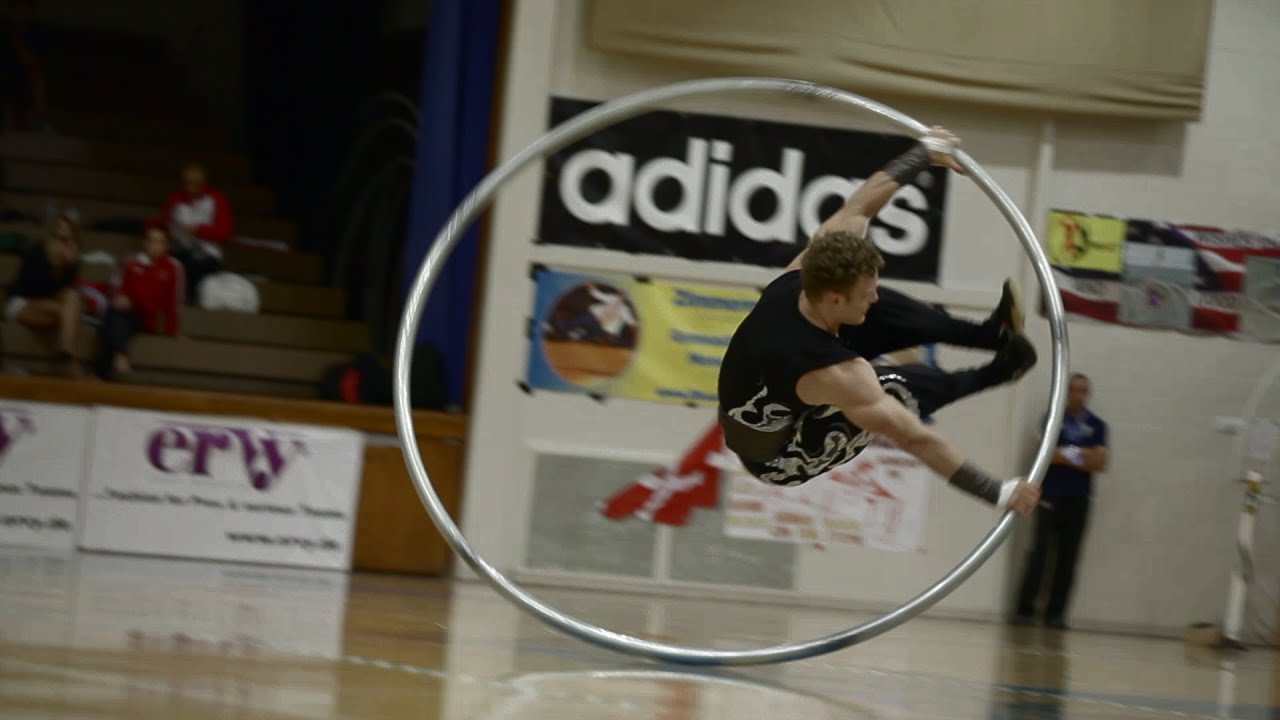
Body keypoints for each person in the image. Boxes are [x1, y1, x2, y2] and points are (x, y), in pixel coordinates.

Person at [717, 127, 1041, 515]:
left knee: (881, 309)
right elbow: (914, 437)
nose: (871, 295)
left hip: (784, 380)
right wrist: (996, 491)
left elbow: (859, 208)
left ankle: (990, 334)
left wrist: (924, 154)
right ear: (834, 297)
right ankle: (999, 372)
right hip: (782, 456)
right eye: (862, 292)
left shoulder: (808, 270)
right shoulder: (838, 374)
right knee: (893, 389)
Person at [1013, 372, 1108, 629]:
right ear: (1067, 393)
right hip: (1050, 495)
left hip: (1078, 500)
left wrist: (1066, 453)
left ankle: (1055, 614)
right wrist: (1082, 456)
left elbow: (1101, 462)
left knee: (1068, 559)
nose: (1079, 395)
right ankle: (1024, 609)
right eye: (1074, 390)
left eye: (1083, 390)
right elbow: (1046, 454)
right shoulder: (1053, 419)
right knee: (1040, 555)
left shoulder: (1097, 426)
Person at [94, 226, 185, 380]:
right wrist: (119, 297)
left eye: (160, 242)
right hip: (128, 315)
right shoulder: (130, 262)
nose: (155, 246)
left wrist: (173, 330)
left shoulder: (174, 267)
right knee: (115, 314)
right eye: (151, 241)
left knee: (113, 319)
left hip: (151, 319)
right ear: (144, 243)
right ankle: (119, 357)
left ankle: (104, 369)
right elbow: (115, 288)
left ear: (166, 245)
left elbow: (174, 302)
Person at [4, 213, 84, 378]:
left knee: (73, 297)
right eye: (58, 231)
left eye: (66, 235)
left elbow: (66, 292)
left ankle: (66, 355)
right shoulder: (37, 250)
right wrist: (53, 264)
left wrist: (64, 267)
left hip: (51, 308)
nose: (60, 238)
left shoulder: (71, 258)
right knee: (66, 310)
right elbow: (32, 290)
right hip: (21, 304)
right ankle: (72, 363)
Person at [155, 162, 233, 302]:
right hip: (179, 248)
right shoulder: (175, 199)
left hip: (206, 252)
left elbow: (224, 232)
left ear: (203, 183)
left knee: (195, 266)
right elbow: (165, 225)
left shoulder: (216, 200)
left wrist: (197, 230)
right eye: (188, 182)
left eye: (195, 183)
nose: (191, 187)